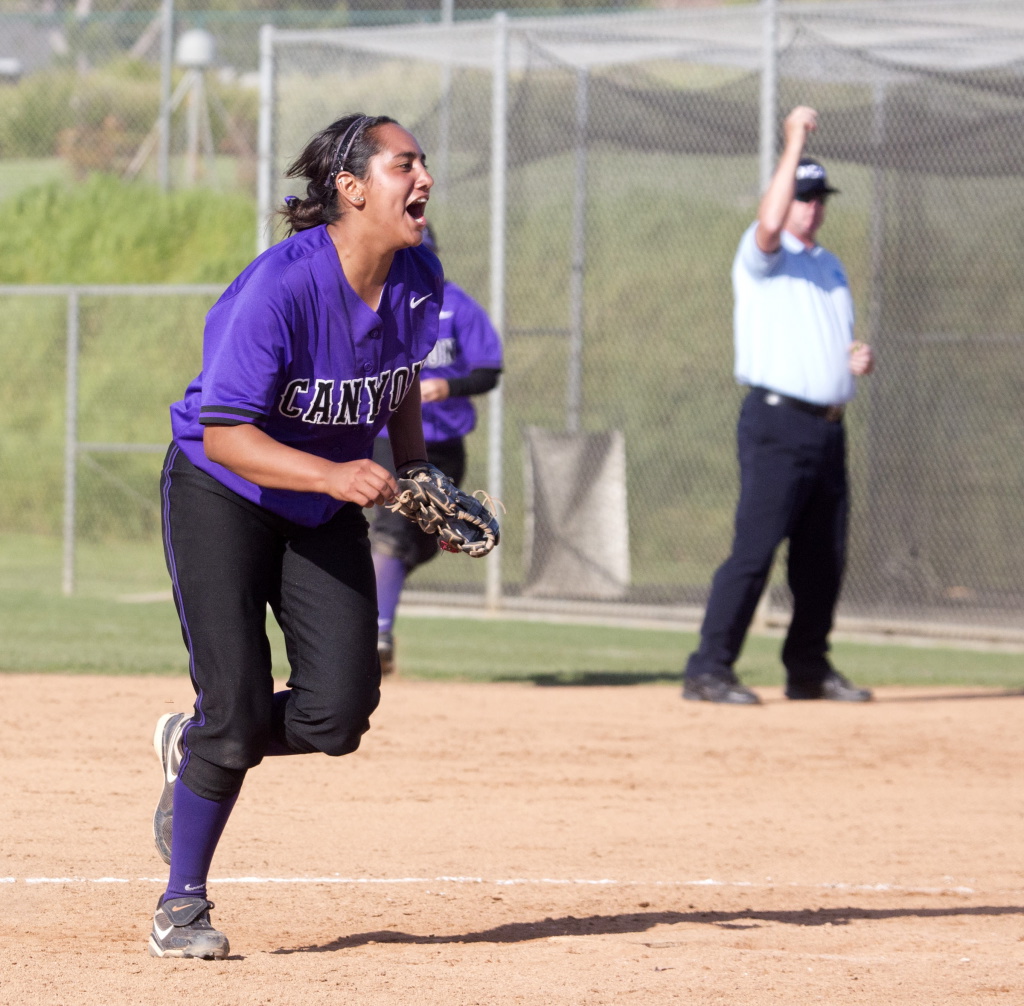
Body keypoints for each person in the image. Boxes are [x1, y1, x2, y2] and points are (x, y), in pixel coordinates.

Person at [148, 112, 440, 959]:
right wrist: (335, 475)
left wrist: (416, 472)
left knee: (338, 713)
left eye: (422, 164)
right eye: (403, 166)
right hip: (225, 492)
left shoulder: (418, 274)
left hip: (316, 504)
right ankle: (180, 906)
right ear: (351, 188)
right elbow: (226, 434)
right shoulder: (282, 287)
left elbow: (401, 374)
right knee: (237, 711)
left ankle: (196, 743)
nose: (423, 179)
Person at [682, 105, 875, 706]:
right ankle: (709, 668)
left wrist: (852, 358)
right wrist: (793, 140)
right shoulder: (763, 254)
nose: (811, 207)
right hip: (777, 423)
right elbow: (768, 223)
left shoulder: (828, 264)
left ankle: (808, 668)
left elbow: (822, 336)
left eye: (819, 198)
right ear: (785, 198)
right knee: (756, 549)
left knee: (824, 557)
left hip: (828, 427)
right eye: (801, 196)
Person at [371, 224, 503, 676]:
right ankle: (377, 634)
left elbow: (488, 371)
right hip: (389, 441)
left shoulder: (457, 306)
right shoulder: (377, 303)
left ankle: (372, 599)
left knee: (427, 541)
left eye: (417, 254)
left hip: (444, 447)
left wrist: (448, 387)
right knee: (391, 534)